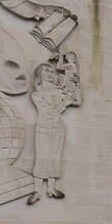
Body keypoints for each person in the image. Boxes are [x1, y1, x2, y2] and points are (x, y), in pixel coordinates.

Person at [27, 55, 80, 203]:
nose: (51, 74)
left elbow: (76, 100)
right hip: (44, 128)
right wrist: (65, 104)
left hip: (58, 128)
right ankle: (37, 191)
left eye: (52, 71)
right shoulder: (36, 94)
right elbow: (49, 112)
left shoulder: (59, 90)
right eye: (46, 71)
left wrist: (76, 86)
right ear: (40, 75)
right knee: (42, 157)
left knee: (54, 158)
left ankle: (51, 188)